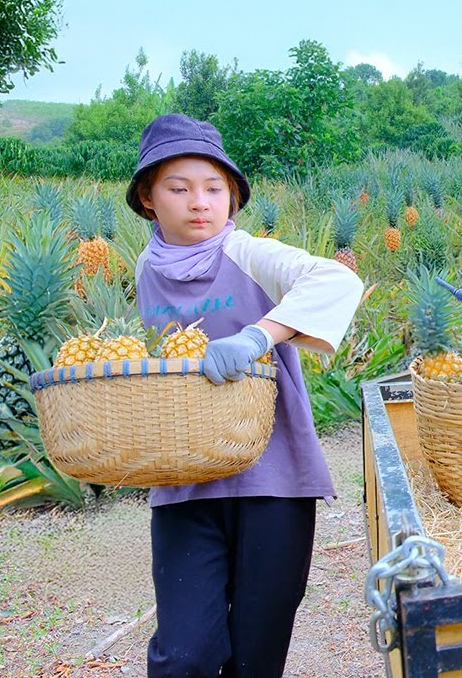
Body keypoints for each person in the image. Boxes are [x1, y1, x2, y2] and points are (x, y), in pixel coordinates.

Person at [126, 113, 365, 677]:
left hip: (273, 477)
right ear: (148, 199)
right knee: (183, 655)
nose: (199, 203)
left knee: (256, 655)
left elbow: (337, 279)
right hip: (184, 479)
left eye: (214, 189)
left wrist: (259, 336)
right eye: (178, 189)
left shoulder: (247, 252)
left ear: (232, 196)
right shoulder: (146, 269)